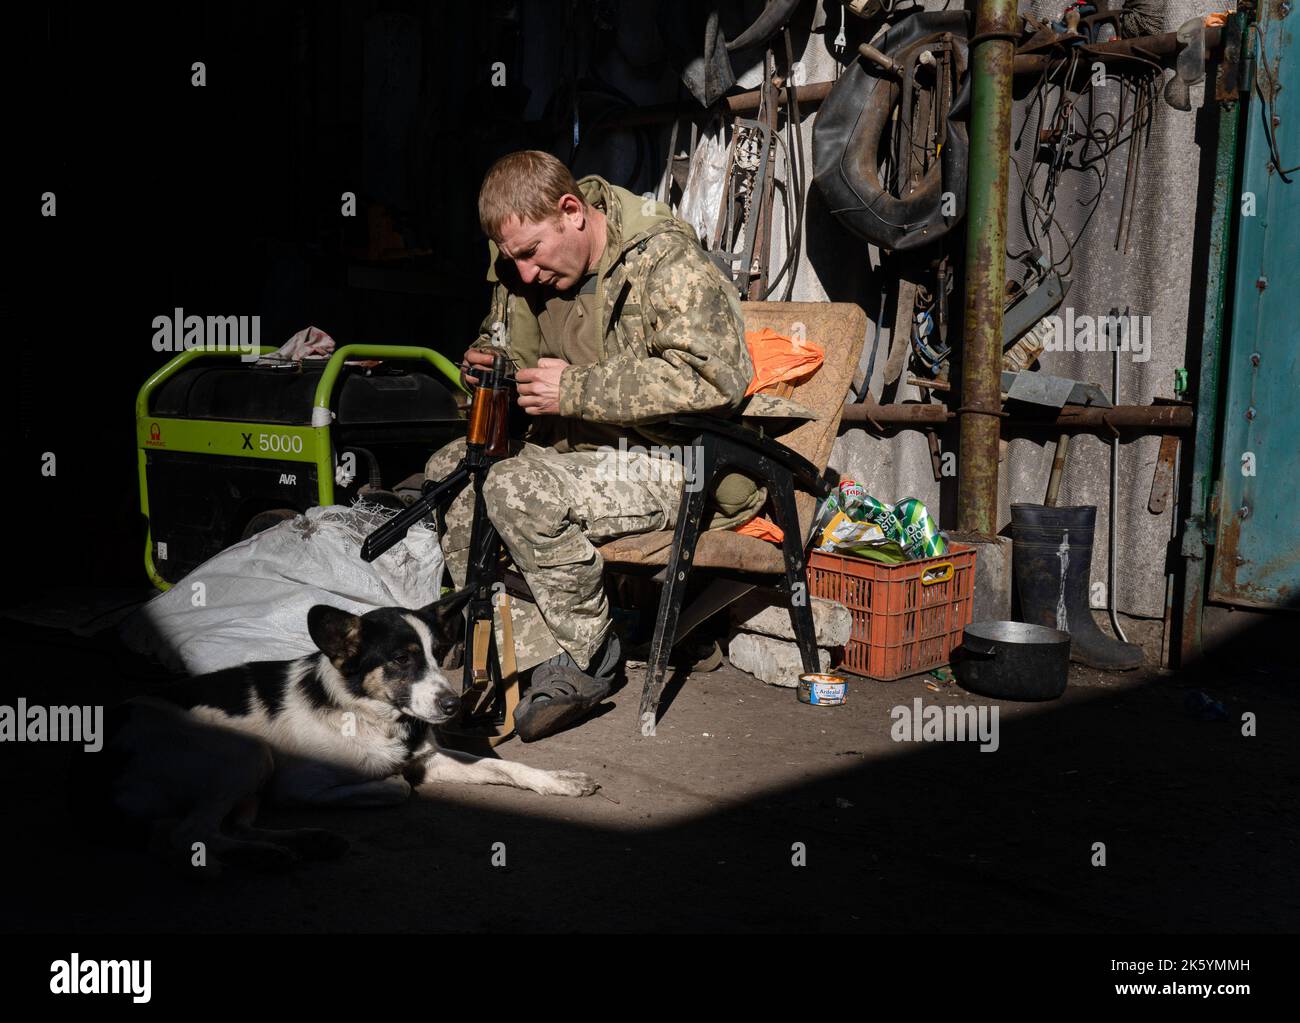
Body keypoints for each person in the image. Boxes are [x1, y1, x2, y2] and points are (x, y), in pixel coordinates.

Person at [424, 149, 804, 741]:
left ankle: (589, 655)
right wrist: (486, 367)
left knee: (517, 487)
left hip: (670, 457)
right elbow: (503, 344)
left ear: (572, 211)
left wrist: (574, 390)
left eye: (531, 253)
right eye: (511, 259)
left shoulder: (663, 256)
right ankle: (516, 655)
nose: (524, 273)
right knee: (453, 468)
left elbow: (712, 378)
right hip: (572, 454)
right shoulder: (522, 276)